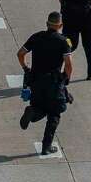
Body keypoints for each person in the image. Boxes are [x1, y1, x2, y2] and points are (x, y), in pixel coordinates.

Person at [17, 11, 73, 156]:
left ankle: (32, 112)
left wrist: (26, 69)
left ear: (47, 24)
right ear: (60, 25)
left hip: (36, 81)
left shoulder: (36, 37)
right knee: (54, 114)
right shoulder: (64, 41)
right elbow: (68, 65)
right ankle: (46, 147)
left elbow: (20, 53)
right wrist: (65, 79)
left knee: (39, 106)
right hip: (54, 83)